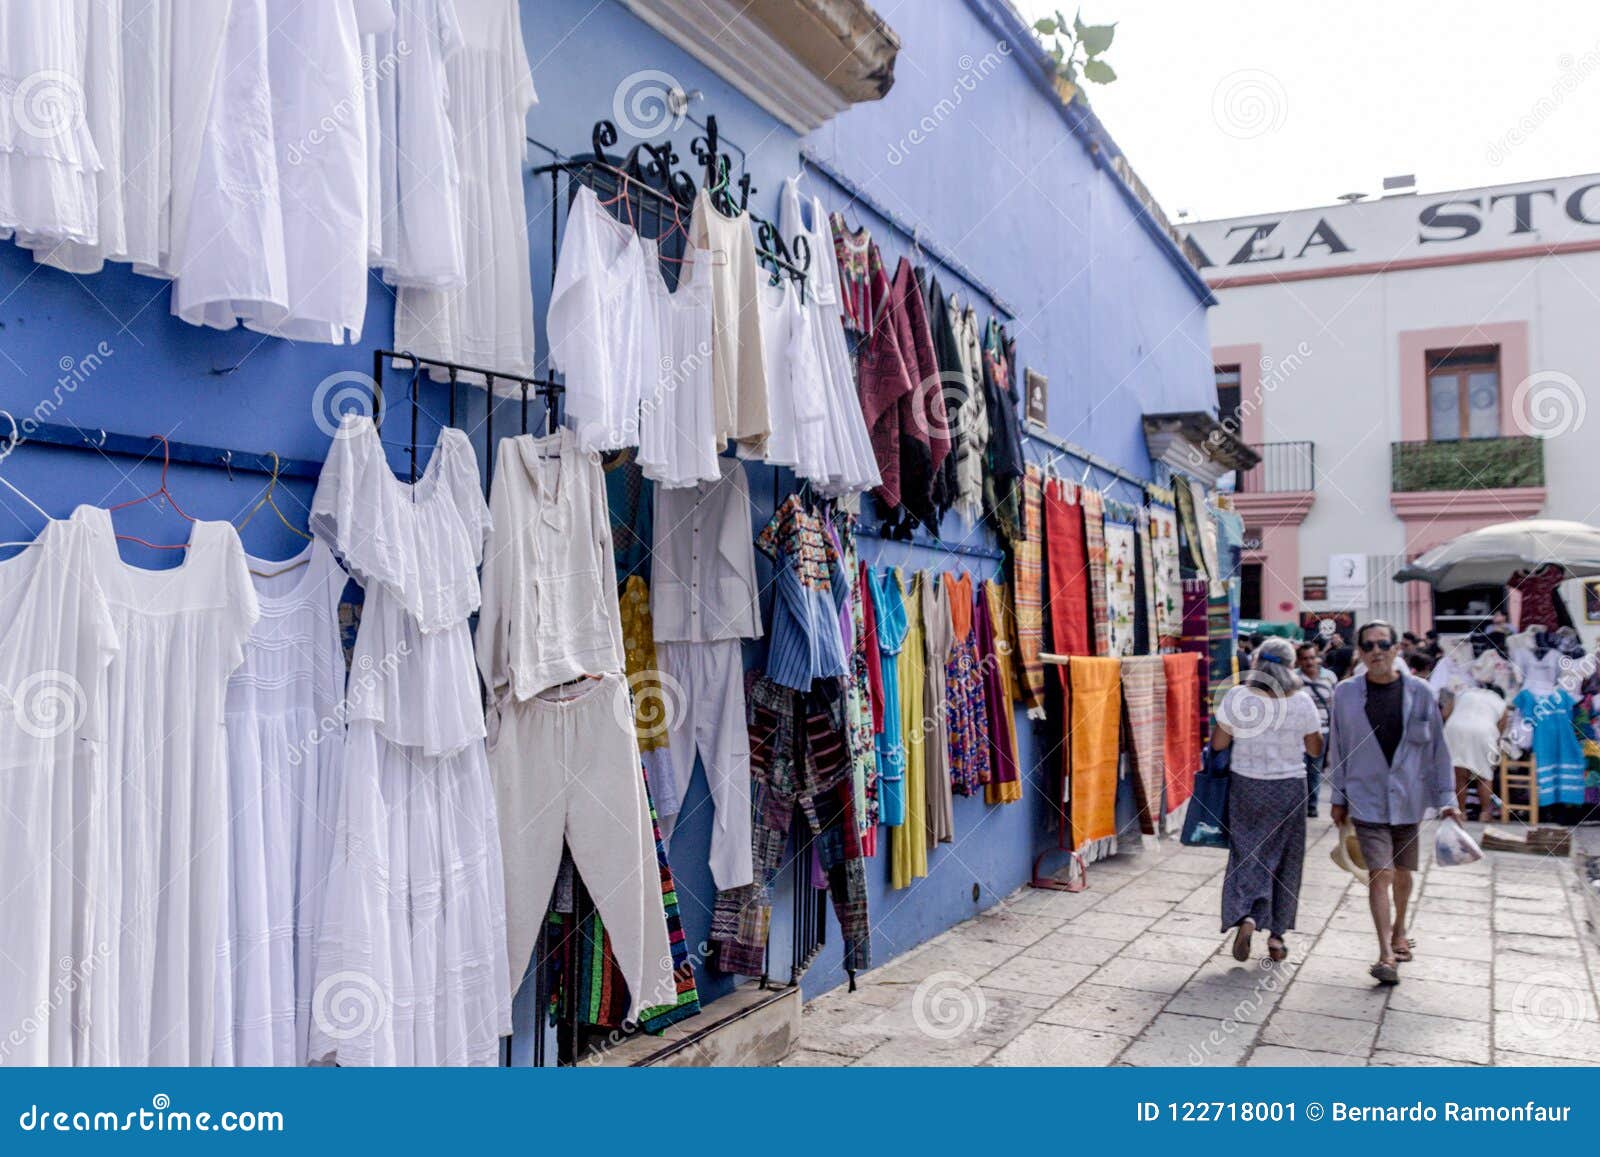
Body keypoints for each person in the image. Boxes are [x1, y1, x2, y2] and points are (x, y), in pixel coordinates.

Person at [1326, 620, 1460, 986]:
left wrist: (1447, 798)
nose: (1376, 651)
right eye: (1368, 646)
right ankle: (1385, 952)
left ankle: (1400, 928)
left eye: (1382, 644)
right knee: (1379, 873)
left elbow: (1437, 750)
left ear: (1396, 648)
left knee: (1403, 873)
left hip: (1409, 799)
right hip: (1365, 796)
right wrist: (1338, 797)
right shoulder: (1345, 693)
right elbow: (1337, 747)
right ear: (1360, 652)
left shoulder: (1419, 692)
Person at [1211, 637, 1323, 964]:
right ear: (1291, 665)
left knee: (1248, 853)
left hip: (1246, 785)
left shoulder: (1237, 696)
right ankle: (1276, 937)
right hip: (1289, 788)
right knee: (1286, 858)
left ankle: (1246, 916)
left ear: (1257, 663)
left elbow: (1218, 743)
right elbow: (1315, 750)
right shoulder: (1302, 701)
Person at [1439, 683, 1508, 820]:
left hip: (1455, 729)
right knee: (1484, 776)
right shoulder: (1501, 703)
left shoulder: (1464, 693)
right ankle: (1485, 813)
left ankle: (1461, 812)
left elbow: (1445, 714)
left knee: (1460, 776)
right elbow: (1500, 730)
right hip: (1483, 732)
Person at [1297, 641, 1335, 816]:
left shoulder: (1329, 677)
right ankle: (1301, 805)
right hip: (1298, 733)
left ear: (1318, 657)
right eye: (1305, 659)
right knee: (1300, 769)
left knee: (1315, 770)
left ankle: (1312, 806)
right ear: (1299, 661)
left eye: (1312, 657)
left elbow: (1335, 704)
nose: (1309, 662)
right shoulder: (1293, 679)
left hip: (1323, 731)